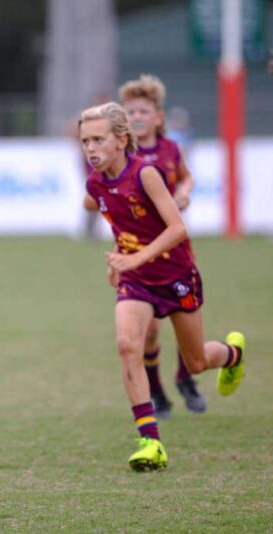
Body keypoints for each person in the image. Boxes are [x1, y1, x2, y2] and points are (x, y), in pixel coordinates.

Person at [79, 102, 246, 472]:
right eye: (85, 141)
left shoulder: (147, 173)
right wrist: (122, 260)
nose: (90, 149)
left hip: (176, 276)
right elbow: (123, 225)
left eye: (98, 139)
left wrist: (134, 258)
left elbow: (177, 229)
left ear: (122, 139)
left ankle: (231, 355)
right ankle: (150, 441)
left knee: (197, 361)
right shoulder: (95, 184)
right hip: (137, 282)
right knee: (127, 346)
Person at [118, 74, 201, 418]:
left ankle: (186, 378)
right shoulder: (120, 155)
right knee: (149, 330)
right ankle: (157, 393)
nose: (136, 117)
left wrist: (183, 192)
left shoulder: (170, 150)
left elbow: (186, 176)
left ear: (158, 117)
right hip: (136, 256)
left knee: (186, 326)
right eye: (130, 112)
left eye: (142, 111)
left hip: (174, 250)